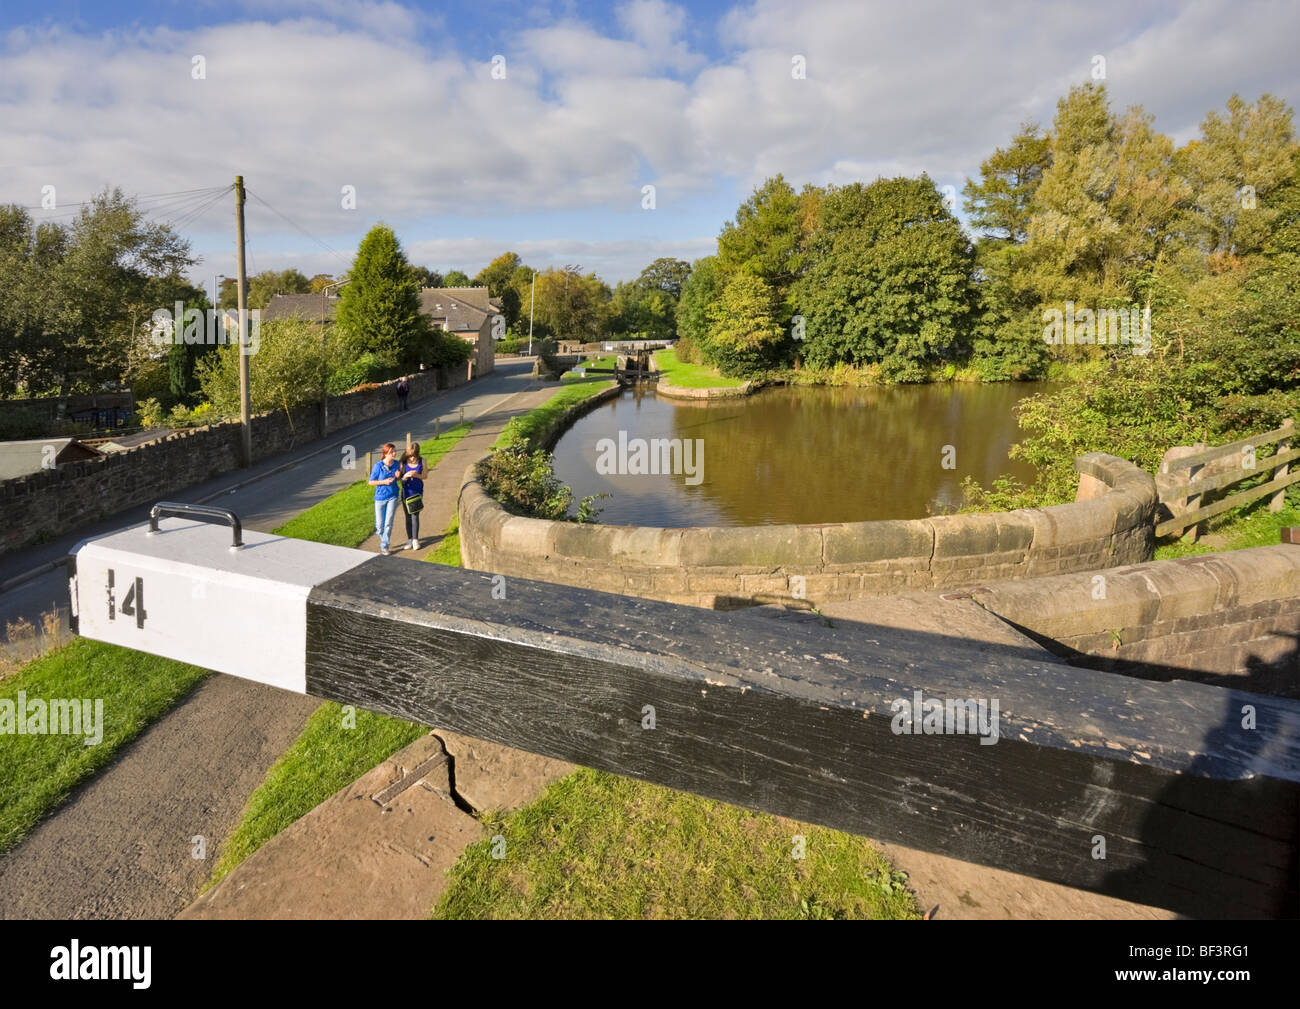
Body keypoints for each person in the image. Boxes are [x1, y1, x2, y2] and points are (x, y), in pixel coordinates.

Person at [368, 443, 401, 555]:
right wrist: (384, 482)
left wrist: (398, 477)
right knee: (379, 526)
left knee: (388, 523)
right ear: (386, 453)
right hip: (380, 498)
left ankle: (384, 546)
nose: (394, 453)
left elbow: (398, 479)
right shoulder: (378, 466)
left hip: (393, 496)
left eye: (395, 451)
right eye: (392, 452)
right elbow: (370, 482)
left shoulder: (397, 464)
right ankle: (384, 539)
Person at [399, 442, 427, 550]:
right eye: (409, 455)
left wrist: (417, 475)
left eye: (412, 456)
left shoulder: (422, 461)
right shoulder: (403, 462)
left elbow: (425, 476)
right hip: (405, 493)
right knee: (407, 516)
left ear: (417, 454)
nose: (410, 458)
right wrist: (405, 476)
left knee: (415, 515)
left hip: (417, 493)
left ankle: (415, 540)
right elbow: (400, 480)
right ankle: (410, 539)